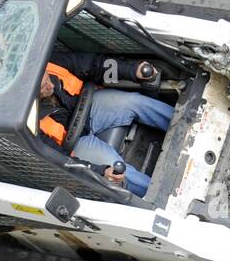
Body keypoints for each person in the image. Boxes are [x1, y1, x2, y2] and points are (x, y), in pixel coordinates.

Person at [36, 53, 173, 197]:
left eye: (47, 77)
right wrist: (101, 171)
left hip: (89, 105)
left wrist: (133, 70)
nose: (51, 84)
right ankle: (166, 195)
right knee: (118, 173)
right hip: (75, 143)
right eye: (44, 87)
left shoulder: (53, 62)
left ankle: (188, 125)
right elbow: (60, 160)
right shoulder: (27, 124)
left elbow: (95, 64)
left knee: (134, 102)